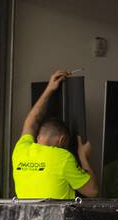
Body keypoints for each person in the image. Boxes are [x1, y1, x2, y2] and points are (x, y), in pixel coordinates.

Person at [12, 70, 99, 199]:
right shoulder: (63, 157)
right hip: (56, 219)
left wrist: (49, 89)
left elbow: (32, 120)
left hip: (26, 218)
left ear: (38, 136)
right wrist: (83, 157)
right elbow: (92, 191)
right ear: (61, 139)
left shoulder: (21, 149)